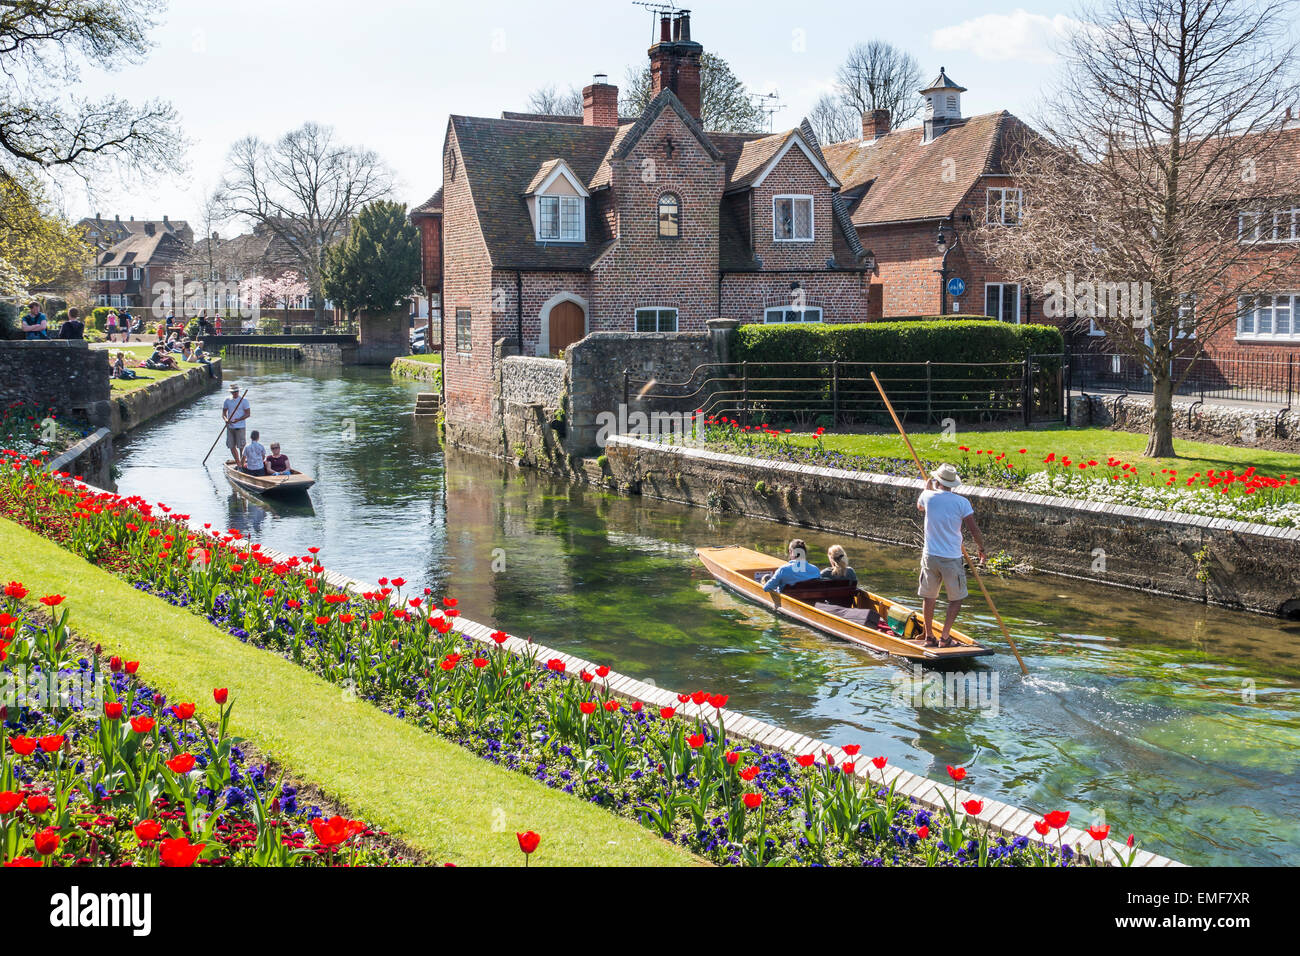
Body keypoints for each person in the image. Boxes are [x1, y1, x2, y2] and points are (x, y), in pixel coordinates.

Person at [916, 463, 986, 649]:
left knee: (929, 597)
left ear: (937, 480)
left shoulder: (927, 496)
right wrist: (981, 548)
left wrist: (926, 489)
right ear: (953, 484)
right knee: (956, 598)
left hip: (930, 556)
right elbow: (974, 529)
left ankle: (929, 636)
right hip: (952, 558)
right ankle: (944, 637)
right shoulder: (962, 503)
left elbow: (920, 507)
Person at [222, 384, 250, 462]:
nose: (235, 393)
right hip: (230, 427)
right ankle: (238, 463)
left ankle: (242, 462)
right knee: (231, 446)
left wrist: (239, 419)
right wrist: (226, 420)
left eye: (236, 391)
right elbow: (224, 413)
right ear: (231, 392)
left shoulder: (244, 400)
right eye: (233, 392)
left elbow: (248, 414)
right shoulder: (227, 400)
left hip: (240, 426)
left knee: (241, 446)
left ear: (238, 391)